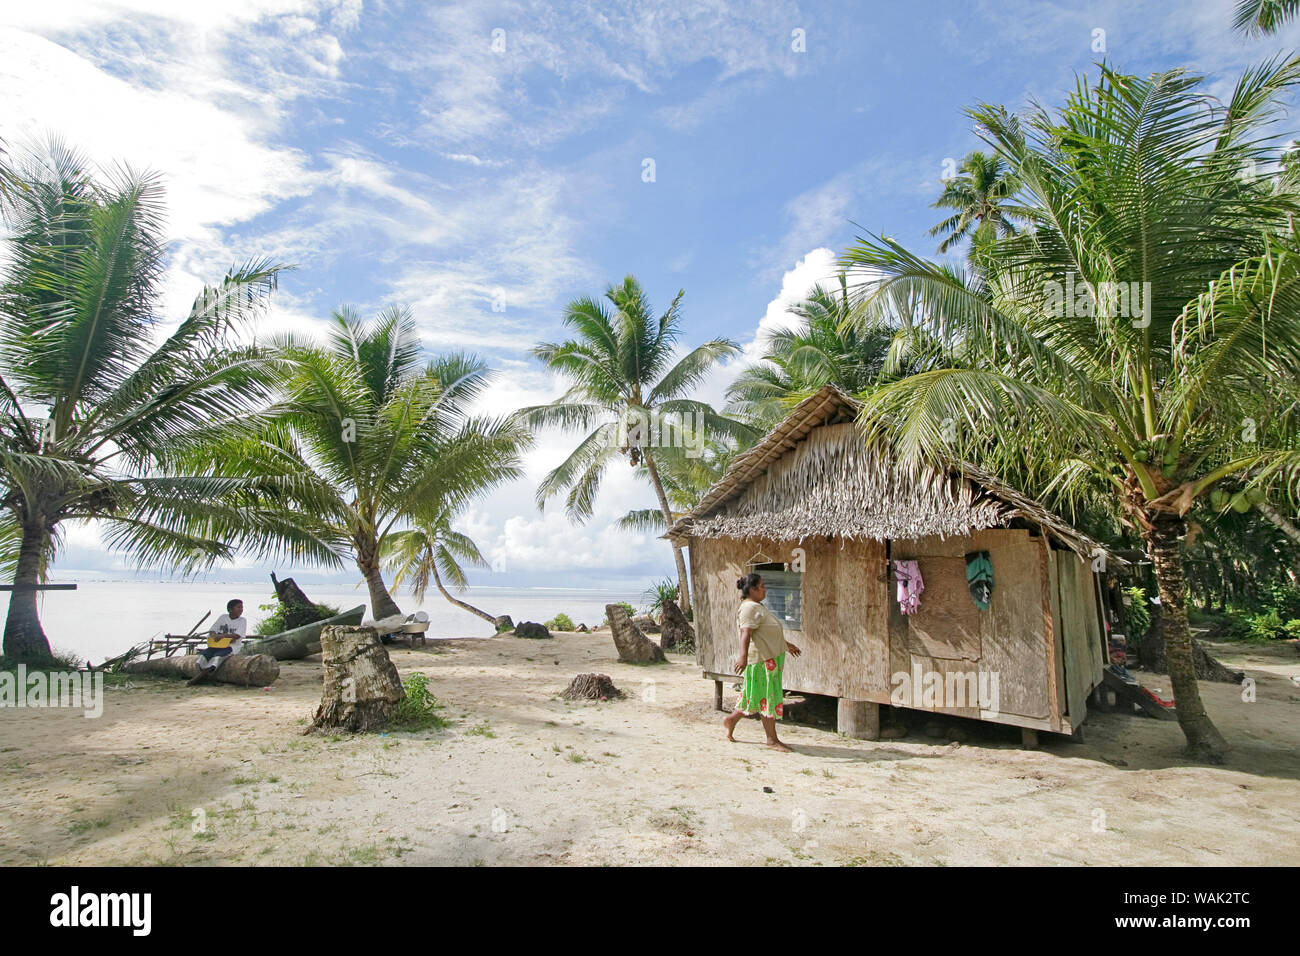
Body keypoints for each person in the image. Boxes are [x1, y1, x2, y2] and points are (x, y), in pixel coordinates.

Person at [722, 573, 802, 751]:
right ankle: (771, 740)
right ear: (752, 590)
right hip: (762, 660)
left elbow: (766, 633)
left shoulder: (757, 606)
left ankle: (731, 720)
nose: (765, 589)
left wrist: (787, 645)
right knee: (767, 696)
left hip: (769, 658)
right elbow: (746, 633)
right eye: (762, 586)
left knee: (756, 696)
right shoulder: (749, 608)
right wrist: (742, 656)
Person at [186, 599, 247, 686]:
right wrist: (214, 635)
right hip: (217, 644)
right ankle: (207, 677)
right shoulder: (223, 617)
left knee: (217, 657)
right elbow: (212, 630)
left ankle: (198, 678)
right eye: (238, 607)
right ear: (230, 609)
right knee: (203, 656)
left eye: (242, 607)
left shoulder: (242, 620)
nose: (241, 609)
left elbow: (237, 636)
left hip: (231, 646)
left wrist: (222, 636)